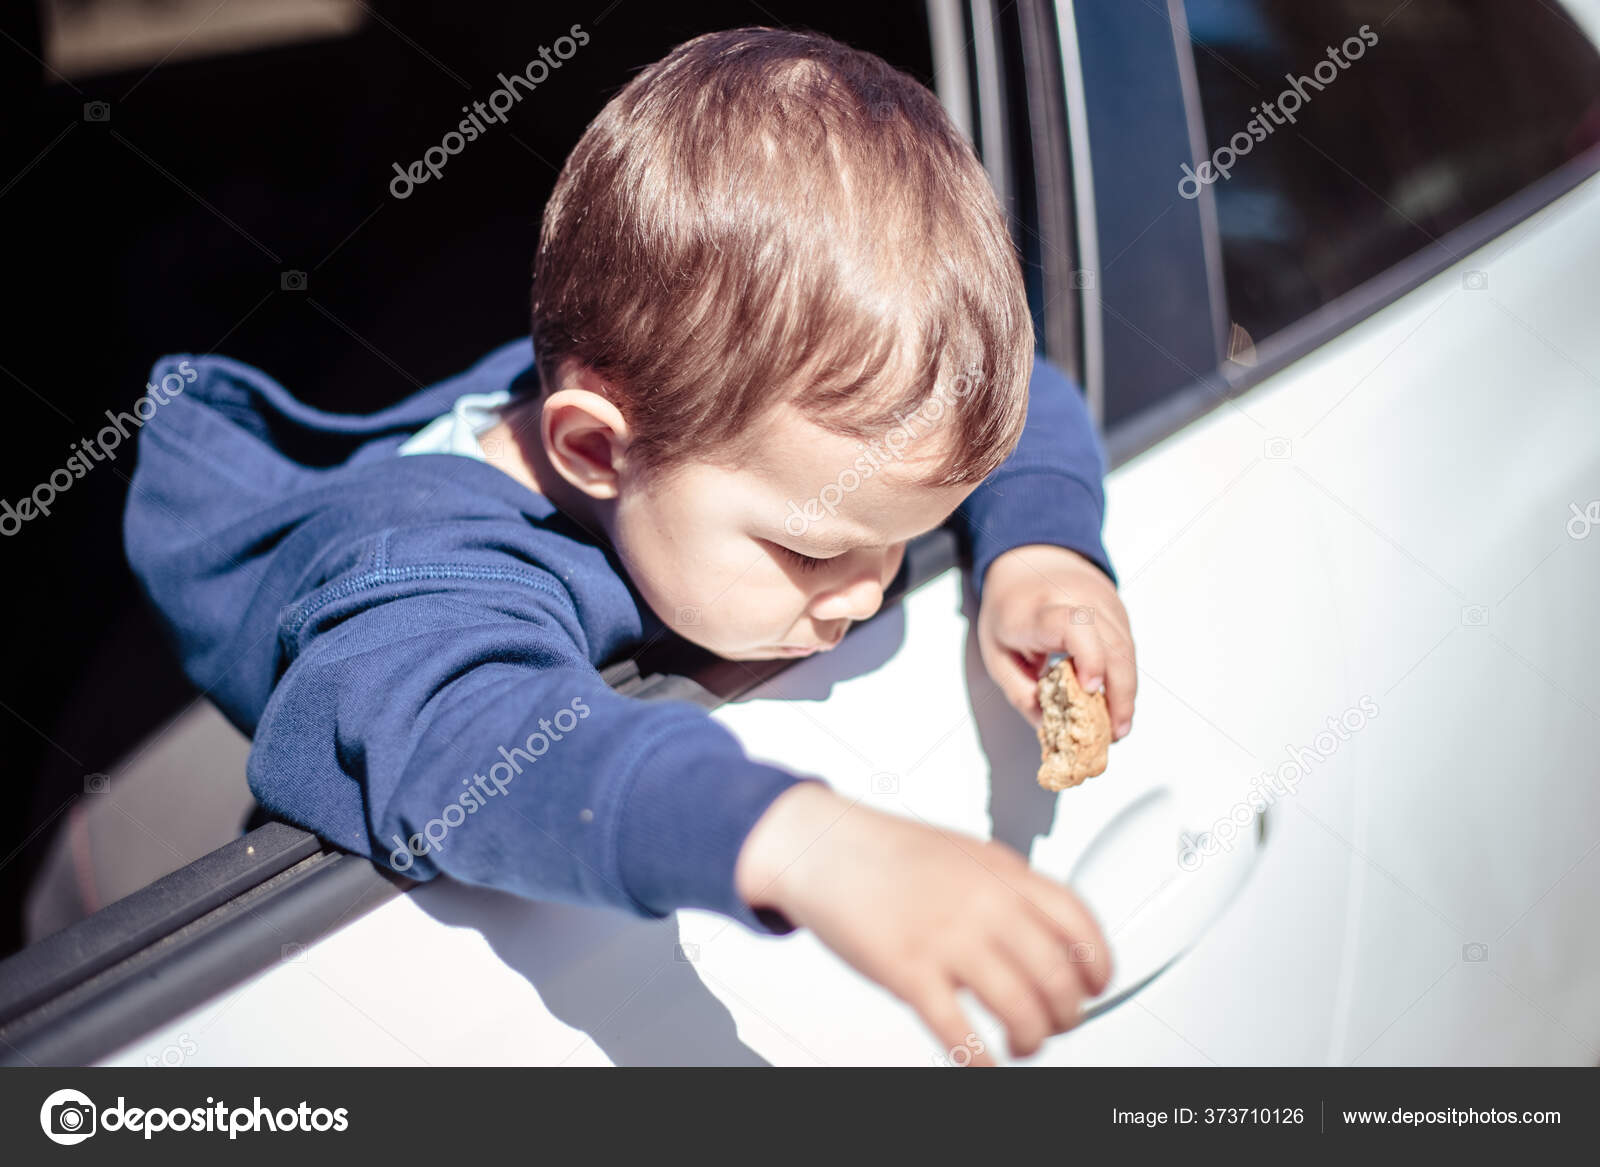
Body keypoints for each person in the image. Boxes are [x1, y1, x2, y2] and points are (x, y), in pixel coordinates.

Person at [125, 27, 1137, 1064]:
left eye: (902, 543)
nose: (867, 596)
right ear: (595, 449)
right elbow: (489, 740)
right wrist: (799, 843)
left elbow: (999, 416)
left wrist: (1038, 551)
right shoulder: (419, 585)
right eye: (812, 553)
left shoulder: (704, 434)